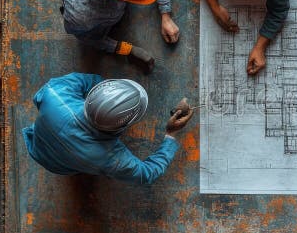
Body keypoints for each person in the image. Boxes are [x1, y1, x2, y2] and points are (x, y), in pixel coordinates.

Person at [22, 73, 193, 184]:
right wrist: (171, 134)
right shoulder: (109, 158)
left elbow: (86, 82)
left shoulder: (55, 93)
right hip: (64, 167)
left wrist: (111, 93)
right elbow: (146, 174)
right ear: (123, 126)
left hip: (38, 148)